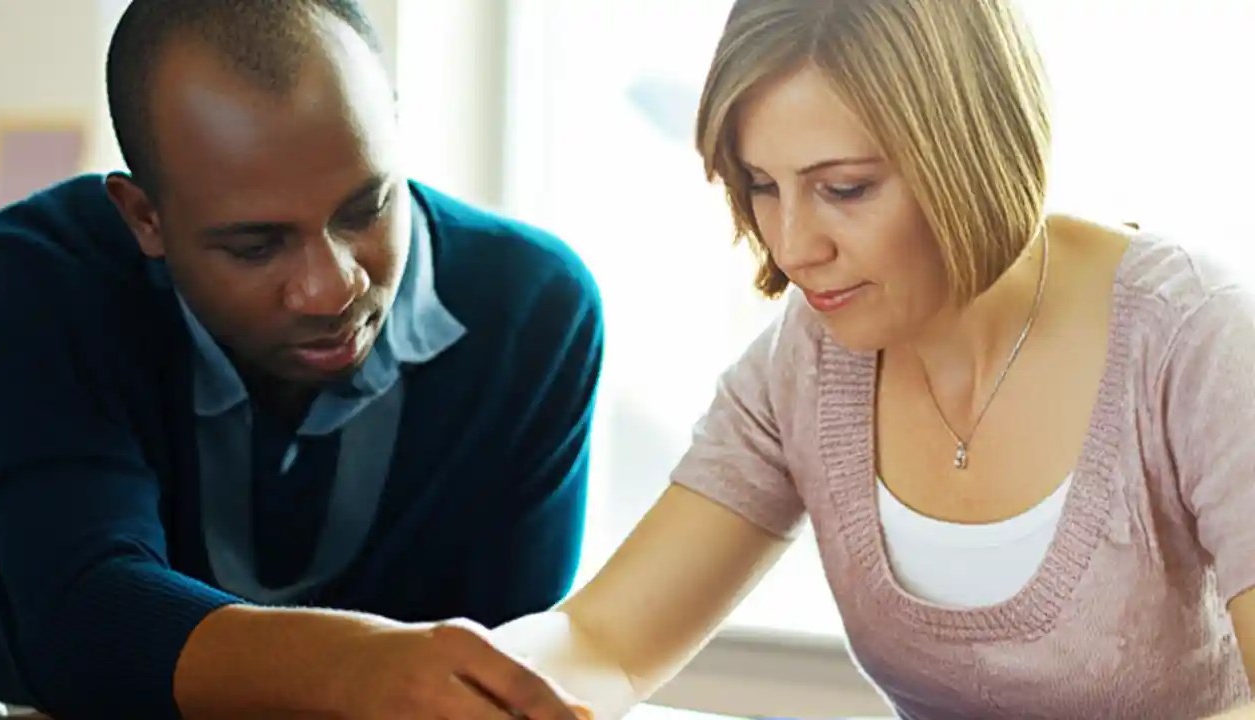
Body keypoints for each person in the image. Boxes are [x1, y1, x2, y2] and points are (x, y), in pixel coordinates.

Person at [487, 1, 1255, 718]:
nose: (792, 247)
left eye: (845, 189)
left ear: (972, 147)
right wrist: (428, 667)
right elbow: (605, 642)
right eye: (762, 186)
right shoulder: (813, 357)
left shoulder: (1194, 339)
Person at [0, 1, 601, 718]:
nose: (333, 287)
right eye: (255, 245)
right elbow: (78, 617)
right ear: (144, 217)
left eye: (366, 207)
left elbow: (503, 666)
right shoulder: (38, 280)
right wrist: (356, 669)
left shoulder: (534, 310)